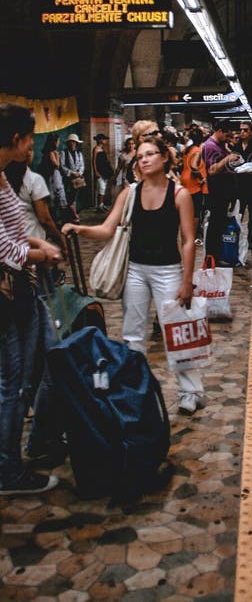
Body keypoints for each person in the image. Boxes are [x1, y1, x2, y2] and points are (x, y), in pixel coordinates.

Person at [62, 135, 204, 415]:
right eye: (140, 156)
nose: (145, 159)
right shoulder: (130, 193)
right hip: (135, 270)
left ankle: (191, 391)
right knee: (132, 335)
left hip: (168, 271)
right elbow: (106, 229)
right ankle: (138, 387)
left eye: (151, 154)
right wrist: (80, 230)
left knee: (176, 332)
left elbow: (188, 240)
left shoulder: (180, 194)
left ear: (165, 157)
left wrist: (187, 281)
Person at [1, 102, 64, 495]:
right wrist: (41, 254)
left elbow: (13, 229)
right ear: (15, 139)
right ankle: (8, 470)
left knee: (52, 358)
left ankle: (40, 439)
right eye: (29, 139)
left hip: (22, 287)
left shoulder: (4, 178)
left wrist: (37, 240)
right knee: (13, 385)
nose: (32, 147)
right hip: (7, 296)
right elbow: (2, 247)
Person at [202, 121, 241, 264]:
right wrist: (227, 159)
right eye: (226, 134)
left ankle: (217, 257)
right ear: (219, 131)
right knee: (215, 226)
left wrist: (230, 154)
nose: (228, 137)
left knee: (219, 226)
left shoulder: (219, 145)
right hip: (217, 193)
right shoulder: (210, 146)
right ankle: (211, 259)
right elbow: (212, 170)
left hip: (223, 193)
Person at [231, 121, 252, 252]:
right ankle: (236, 239)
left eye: (245, 130)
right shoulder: (236, 146)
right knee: (237, 214)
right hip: (238, 187)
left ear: (251, 132)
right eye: (241, 130)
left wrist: (250, 167)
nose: (242, 132)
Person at [179, 125, 208, 244]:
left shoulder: (187, 148)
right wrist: (202, 178)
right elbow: (194, 166)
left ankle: (183, 235)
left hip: (184, 179)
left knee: (185, 210)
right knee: (196, 211)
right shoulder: (197, 150)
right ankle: (192, 235)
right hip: (193, 183)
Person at [38, 133, 69, 225]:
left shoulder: (46, 153)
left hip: (48, 177)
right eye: (58, 140)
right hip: (53, 177)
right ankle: (60, 222)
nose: (59, 142)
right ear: (54, 142)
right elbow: (57, 165)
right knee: (58, 197)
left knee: (52, 200)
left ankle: (55, 222)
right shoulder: (52, 152)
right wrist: (57, 156)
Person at [59, 133, 85, 224]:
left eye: (74, 142)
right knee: (69, 198)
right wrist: (71, 173)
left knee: (73, 197)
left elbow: (82, 165)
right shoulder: (63, 153)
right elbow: (62, 166)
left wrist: (79, 173)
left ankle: (72, 216)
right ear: (68, 143)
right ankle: (74, 216)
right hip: (68, 179)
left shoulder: (79, 153)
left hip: (77, 179)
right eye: (71, 142)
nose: (72, 144)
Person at [92, 134, 114, 212]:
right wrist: (96, 172)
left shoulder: (102, 148)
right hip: (99, 171)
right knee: (101, 188)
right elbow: (94, 161)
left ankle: (101, 204)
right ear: (100, 140)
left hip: (104, 171)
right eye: (103, 139)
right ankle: (99, 206)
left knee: (103, 188)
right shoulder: (96, 149)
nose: (105, 140)